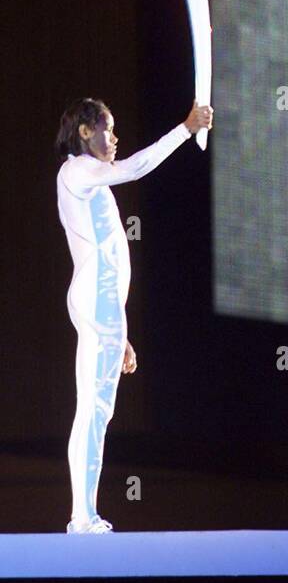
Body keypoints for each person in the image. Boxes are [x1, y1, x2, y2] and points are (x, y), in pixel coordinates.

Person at [55, 97, 213, 533]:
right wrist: (185, 128)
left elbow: (104, 254)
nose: (115, 138)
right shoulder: (79, 170)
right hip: (96, 300)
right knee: (96, 411)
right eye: (108, 129)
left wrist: (119, 331)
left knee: (90, 409)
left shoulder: (85, 180)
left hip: (97, 302)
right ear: (85, 132)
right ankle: (83, 518)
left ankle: (80, 515)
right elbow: (135, 168)